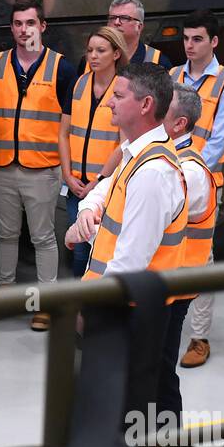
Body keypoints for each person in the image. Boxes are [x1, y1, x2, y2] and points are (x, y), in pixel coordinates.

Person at [65, 63, 187, 416]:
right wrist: (87, 210)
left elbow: (129, 263)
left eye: (118, 96)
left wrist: (93, 308)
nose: (108, 103)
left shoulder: (152, 173)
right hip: (129, 308)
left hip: (129, 312)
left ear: (146, 104)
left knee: (128, 409)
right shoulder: (137, 154)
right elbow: (105, 189)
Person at [0, 0, 77, 330]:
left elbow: (70, 124)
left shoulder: (62, 69)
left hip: (41, 168)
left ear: (42, 27)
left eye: (30, 23)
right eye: (18, 24)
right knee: (5, 235)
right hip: (1, 166)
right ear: (11, 28)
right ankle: (4, 297)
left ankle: (43, 304)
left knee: (43, 237)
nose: (24, 30)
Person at [169, 9, 224, 369]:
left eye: (197, 39)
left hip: (201, 186)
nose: (190, 45)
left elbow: (219, 142)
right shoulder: (172, 76)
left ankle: (199, 337)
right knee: (165, 254)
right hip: (168, 181)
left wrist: (188, 174)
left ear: (214, 41)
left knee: (201, 260)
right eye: (185, 38)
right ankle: (164, 322)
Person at [162, 84, 216, 414]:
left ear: (179, 123)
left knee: (160, 369)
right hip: (162, 281)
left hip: (174, 285)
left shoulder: (189, 171)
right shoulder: (163, 157)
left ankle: (168, 445)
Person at [59, 25, 125, 276]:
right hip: (76, 185)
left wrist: (99, 180)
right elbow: (63, 133)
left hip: (105, 188)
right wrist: (67, 174)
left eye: (101, 50)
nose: (93, 56)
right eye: (89, 51)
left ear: (116, 54)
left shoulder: (124, 88)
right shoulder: (78, 85)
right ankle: (82, 304)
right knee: (78, 249)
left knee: (100, 249)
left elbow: (124, 144)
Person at [108, 0, 172, 68]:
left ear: (139, 27)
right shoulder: (97, 58)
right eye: (112, 18)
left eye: (124, 18)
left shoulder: (158, 61)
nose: (116, 22)